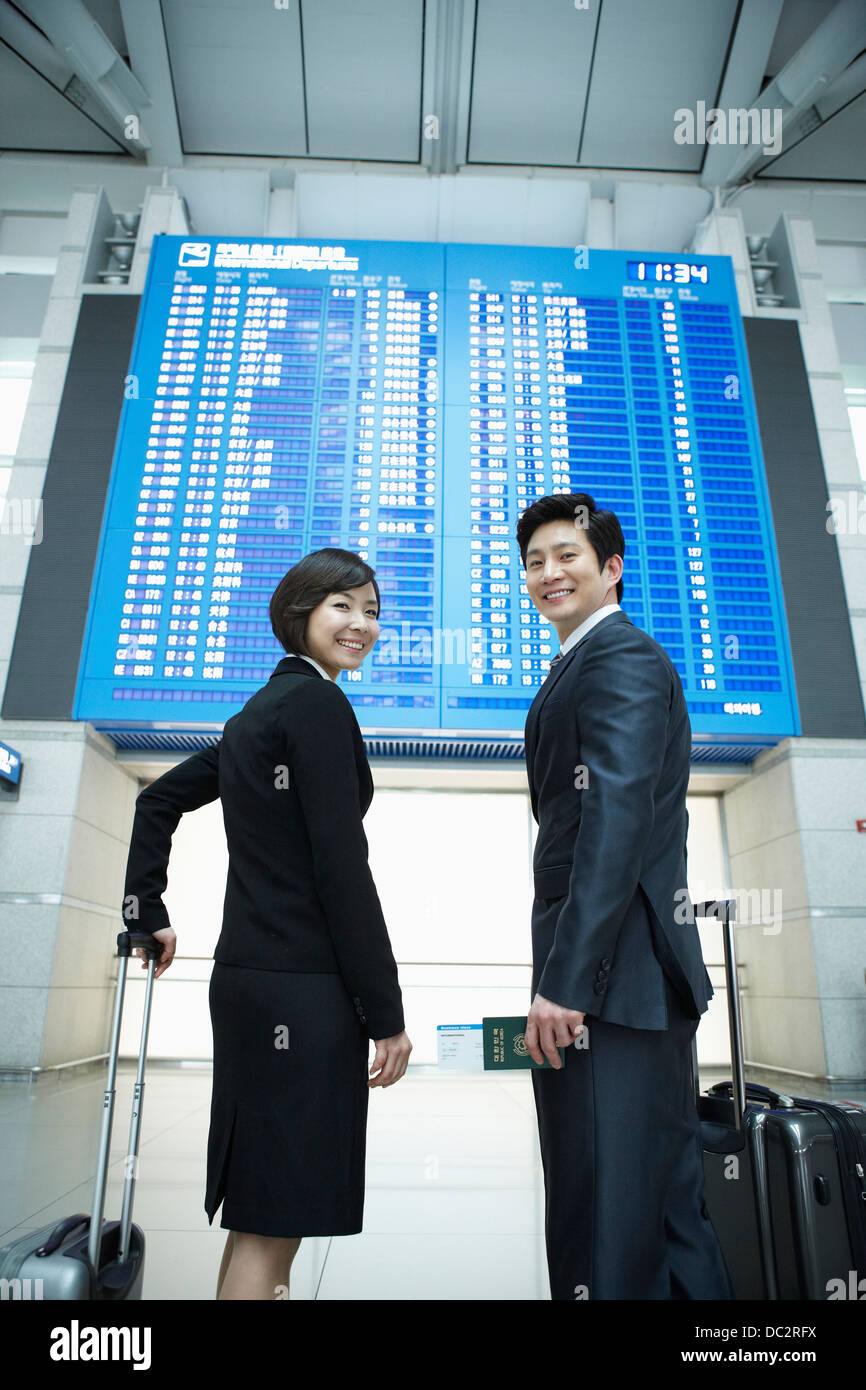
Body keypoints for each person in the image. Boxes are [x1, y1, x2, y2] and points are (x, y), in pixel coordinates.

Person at [121, 547, 411, 1300]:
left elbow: (156, 802)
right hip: (302, 993)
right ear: (300, 612)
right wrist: (387, 1013)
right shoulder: (316, 708)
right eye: (342, 605)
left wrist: (146, 908)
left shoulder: (254, 716)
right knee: (276, 1218)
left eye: (372, 611)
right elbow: (341, 873)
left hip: (248, 984)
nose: (361, 623)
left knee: (261, 1209)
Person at [516, 492, 732, 1301]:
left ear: (611, 568)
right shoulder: (584, 660)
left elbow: (614, 822)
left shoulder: (621, 659)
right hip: (630, 986)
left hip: (614, 988)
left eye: (566, 555)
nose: (547, 572)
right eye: (535, 561)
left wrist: (567, 982)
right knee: (663, 1219)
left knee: (608, 1219)